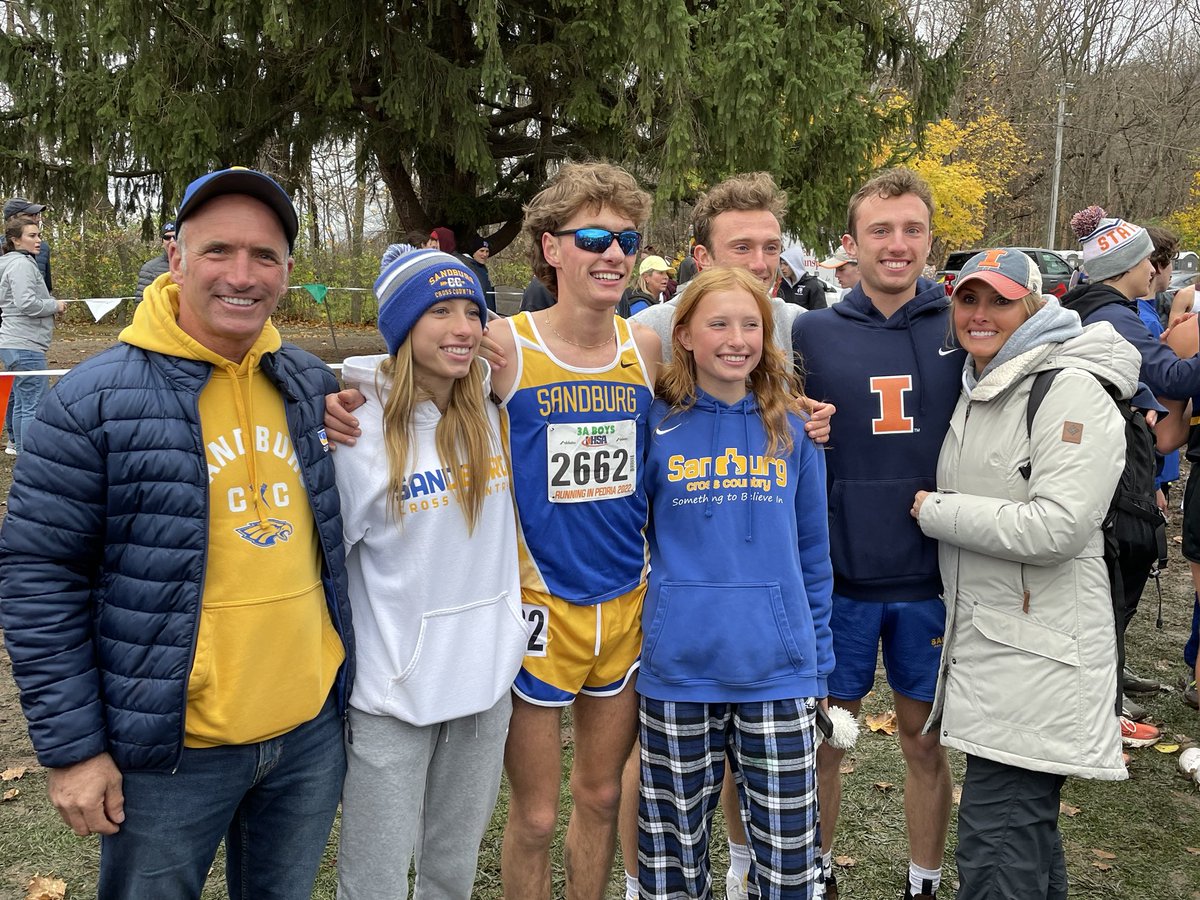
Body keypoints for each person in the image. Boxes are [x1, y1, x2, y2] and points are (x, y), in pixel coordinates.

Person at [0, 166, 354, 900]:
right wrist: (73, 751)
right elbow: (39, 581)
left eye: (264, 255)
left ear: (288, 271)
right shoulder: (92, 401)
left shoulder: (307, 385)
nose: (242, 274)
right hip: (168, 752)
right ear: (176, 258)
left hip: (307, 733)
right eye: (218, 250)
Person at [913, 247, 1136, 898]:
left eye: (1001, 301)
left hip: (1040, 660)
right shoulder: (986, 381)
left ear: (1035, 307)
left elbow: (1057, 527)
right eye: (968, 299)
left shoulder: (1066, 387)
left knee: (995, 852)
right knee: (1023, 844)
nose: (980, 314)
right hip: (1002, 653)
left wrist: (936, 511)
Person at [333, 248, 527, 899]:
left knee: (452, 872)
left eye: (473, 310)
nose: (463, 327)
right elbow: (325, 566)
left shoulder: (494, 414)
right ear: (403, 326)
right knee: (375, 883)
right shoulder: (355, 433)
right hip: (392, 698)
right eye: (440, 311)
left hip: (485, 688)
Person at [637, 265, 833, 900]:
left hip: (778, 672)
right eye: (718, 323)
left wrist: (818, 662)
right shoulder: (654, 425)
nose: (736, 339)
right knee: (672, 856)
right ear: (684, 335)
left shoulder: (795, 429)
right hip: (678, 670)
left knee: (790, 858)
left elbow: (813, 554)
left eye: (751, 325)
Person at [791, 168, 957, 900]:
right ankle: (818, 871)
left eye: (912, 229)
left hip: (933, 575)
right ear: (850, 243)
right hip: (842, 576)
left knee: (924, 741)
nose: (897, 244)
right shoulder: (813, 330)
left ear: (930, 240)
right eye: (880, 230)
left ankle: (925, 880)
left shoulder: (962, 324)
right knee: (828, 740)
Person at [1061, 206, 1178, 744]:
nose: (1155, 269)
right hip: (1112, 470)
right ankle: (1102, 705)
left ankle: (1111, 682)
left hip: (1123, 464)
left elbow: (1135, 377)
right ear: (1128, 266)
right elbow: (1168, 371)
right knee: (1113, 582)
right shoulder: (1115, 316)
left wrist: (1146, 397)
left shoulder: (1105, 309)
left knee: (1114, 583)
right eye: (1148, 260)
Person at [0, 214, 65, 455]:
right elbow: (26, 303)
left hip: (15, 342)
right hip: (24, 343)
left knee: (23, 402)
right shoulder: (21, 265)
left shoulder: (11, 262)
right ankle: (32, 458)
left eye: (39, 235)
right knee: (33, 405)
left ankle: (22, 452)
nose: (38, 240)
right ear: (15, 240)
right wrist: (54, 305)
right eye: (32, 236)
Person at [4, 196, 51, 291]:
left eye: (36, 215)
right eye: (30, 215)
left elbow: (46, 288)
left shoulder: (42, 247)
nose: (36, 219)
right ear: (13, 219)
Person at [779, 246, 827, 310]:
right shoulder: (781, 285)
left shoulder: (813, 286)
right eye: (781, 264)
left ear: (795, 264)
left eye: (786, 264)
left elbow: (820, 313)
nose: (782, 268)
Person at [135, 221, 176, 296]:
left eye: (175, 236)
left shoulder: (193, 264)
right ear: (162, 242)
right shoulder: (149, 268)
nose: (172, 240)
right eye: (167, 237)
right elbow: (142, 299)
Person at [461, 235, 496, 312]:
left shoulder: (483, 268)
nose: (485, 254)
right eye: (481, 251)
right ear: (473, 252)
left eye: (487, 251)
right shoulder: (468, 268)